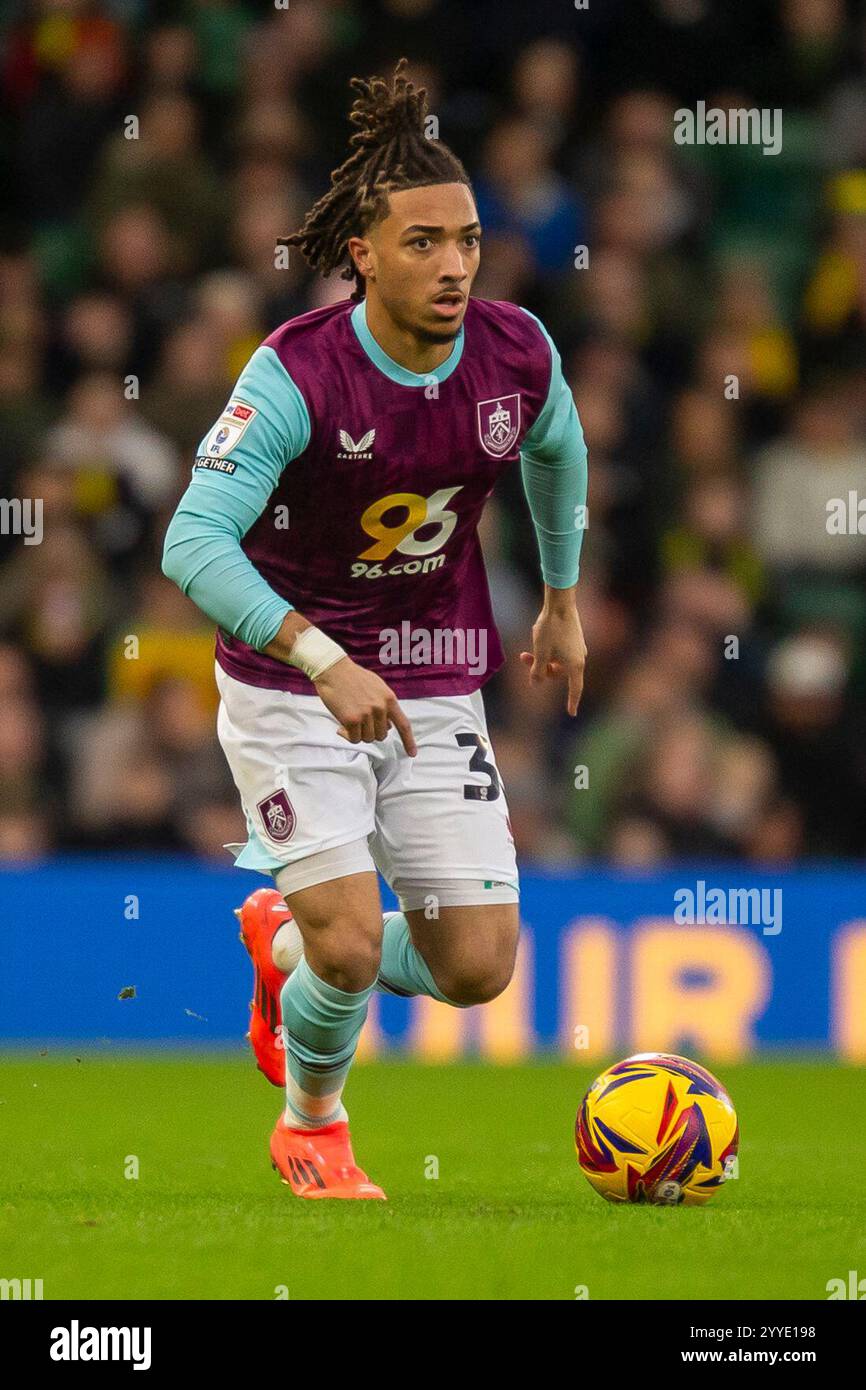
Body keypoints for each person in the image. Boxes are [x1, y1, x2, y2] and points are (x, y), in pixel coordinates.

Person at [162, 61, 588, 1200]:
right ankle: (314, 1125)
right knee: (355, 944)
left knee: (477, 968)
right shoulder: (295, 373)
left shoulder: (515, 352)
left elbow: (556, 446)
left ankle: (282, 945)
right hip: (288, 676)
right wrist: (321, 656)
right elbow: (191, 542)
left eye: (466, 239)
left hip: (436, 673)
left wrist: (560, 591)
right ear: (361, 250)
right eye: (421, 243)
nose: (452, 265)